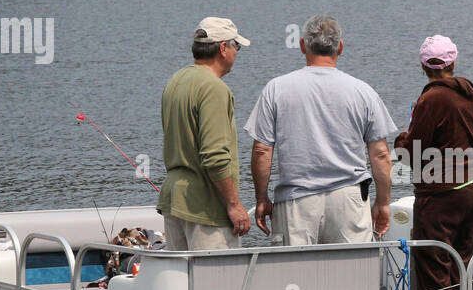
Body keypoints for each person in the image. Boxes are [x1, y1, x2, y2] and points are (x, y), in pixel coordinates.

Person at [247, 15, 397, 245]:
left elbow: (261, 151)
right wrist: (383, 203)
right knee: (354, 274)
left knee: (294, 276)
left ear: (302, 45)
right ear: (341, 48)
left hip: (296, 201)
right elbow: (381, 154)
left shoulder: (276, 89)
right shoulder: (363, 91)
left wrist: (261, 199)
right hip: (349, 199)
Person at [394, 35, 473, 290]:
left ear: (423, 66)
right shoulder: (471, 98)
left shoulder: (431, 99)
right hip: (472, 189)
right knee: (460, 265)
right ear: (453, 63)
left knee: (434, 269)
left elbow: (412, 152)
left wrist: (402, 138)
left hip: (440, 193)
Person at [156, 17, 253, 250]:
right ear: (223, 48)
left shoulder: (175, 80)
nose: (236, 54)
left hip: (174, 200)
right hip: (205, 208)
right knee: (219, 284)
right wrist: (233, 204)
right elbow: (215, 156)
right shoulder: (214, 88)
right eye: (236, 47)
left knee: (183, 282)